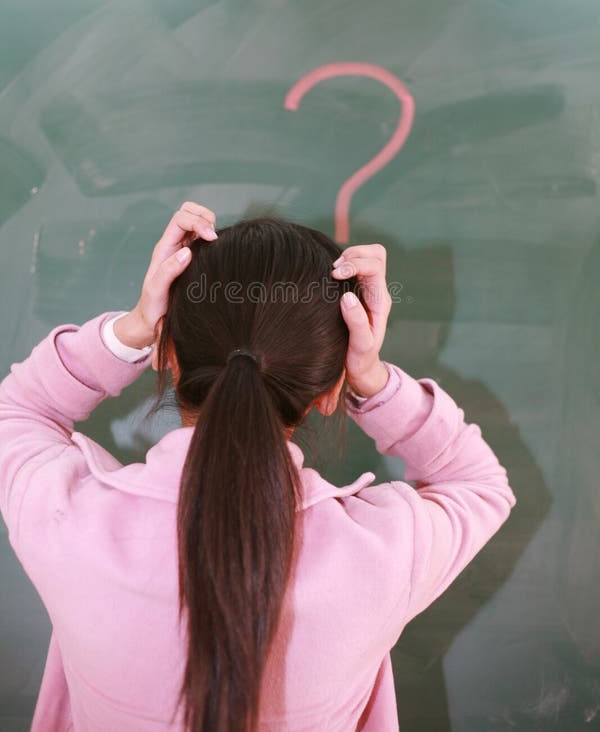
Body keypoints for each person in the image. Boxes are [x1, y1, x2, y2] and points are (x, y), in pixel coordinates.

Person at [0, 202, 515, 732]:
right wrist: (372, 378)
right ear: (331, 388)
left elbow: (18, 411)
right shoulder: (383, 551)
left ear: (167, 353)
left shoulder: (70, 524)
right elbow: (476, 482)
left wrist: (131, 330)